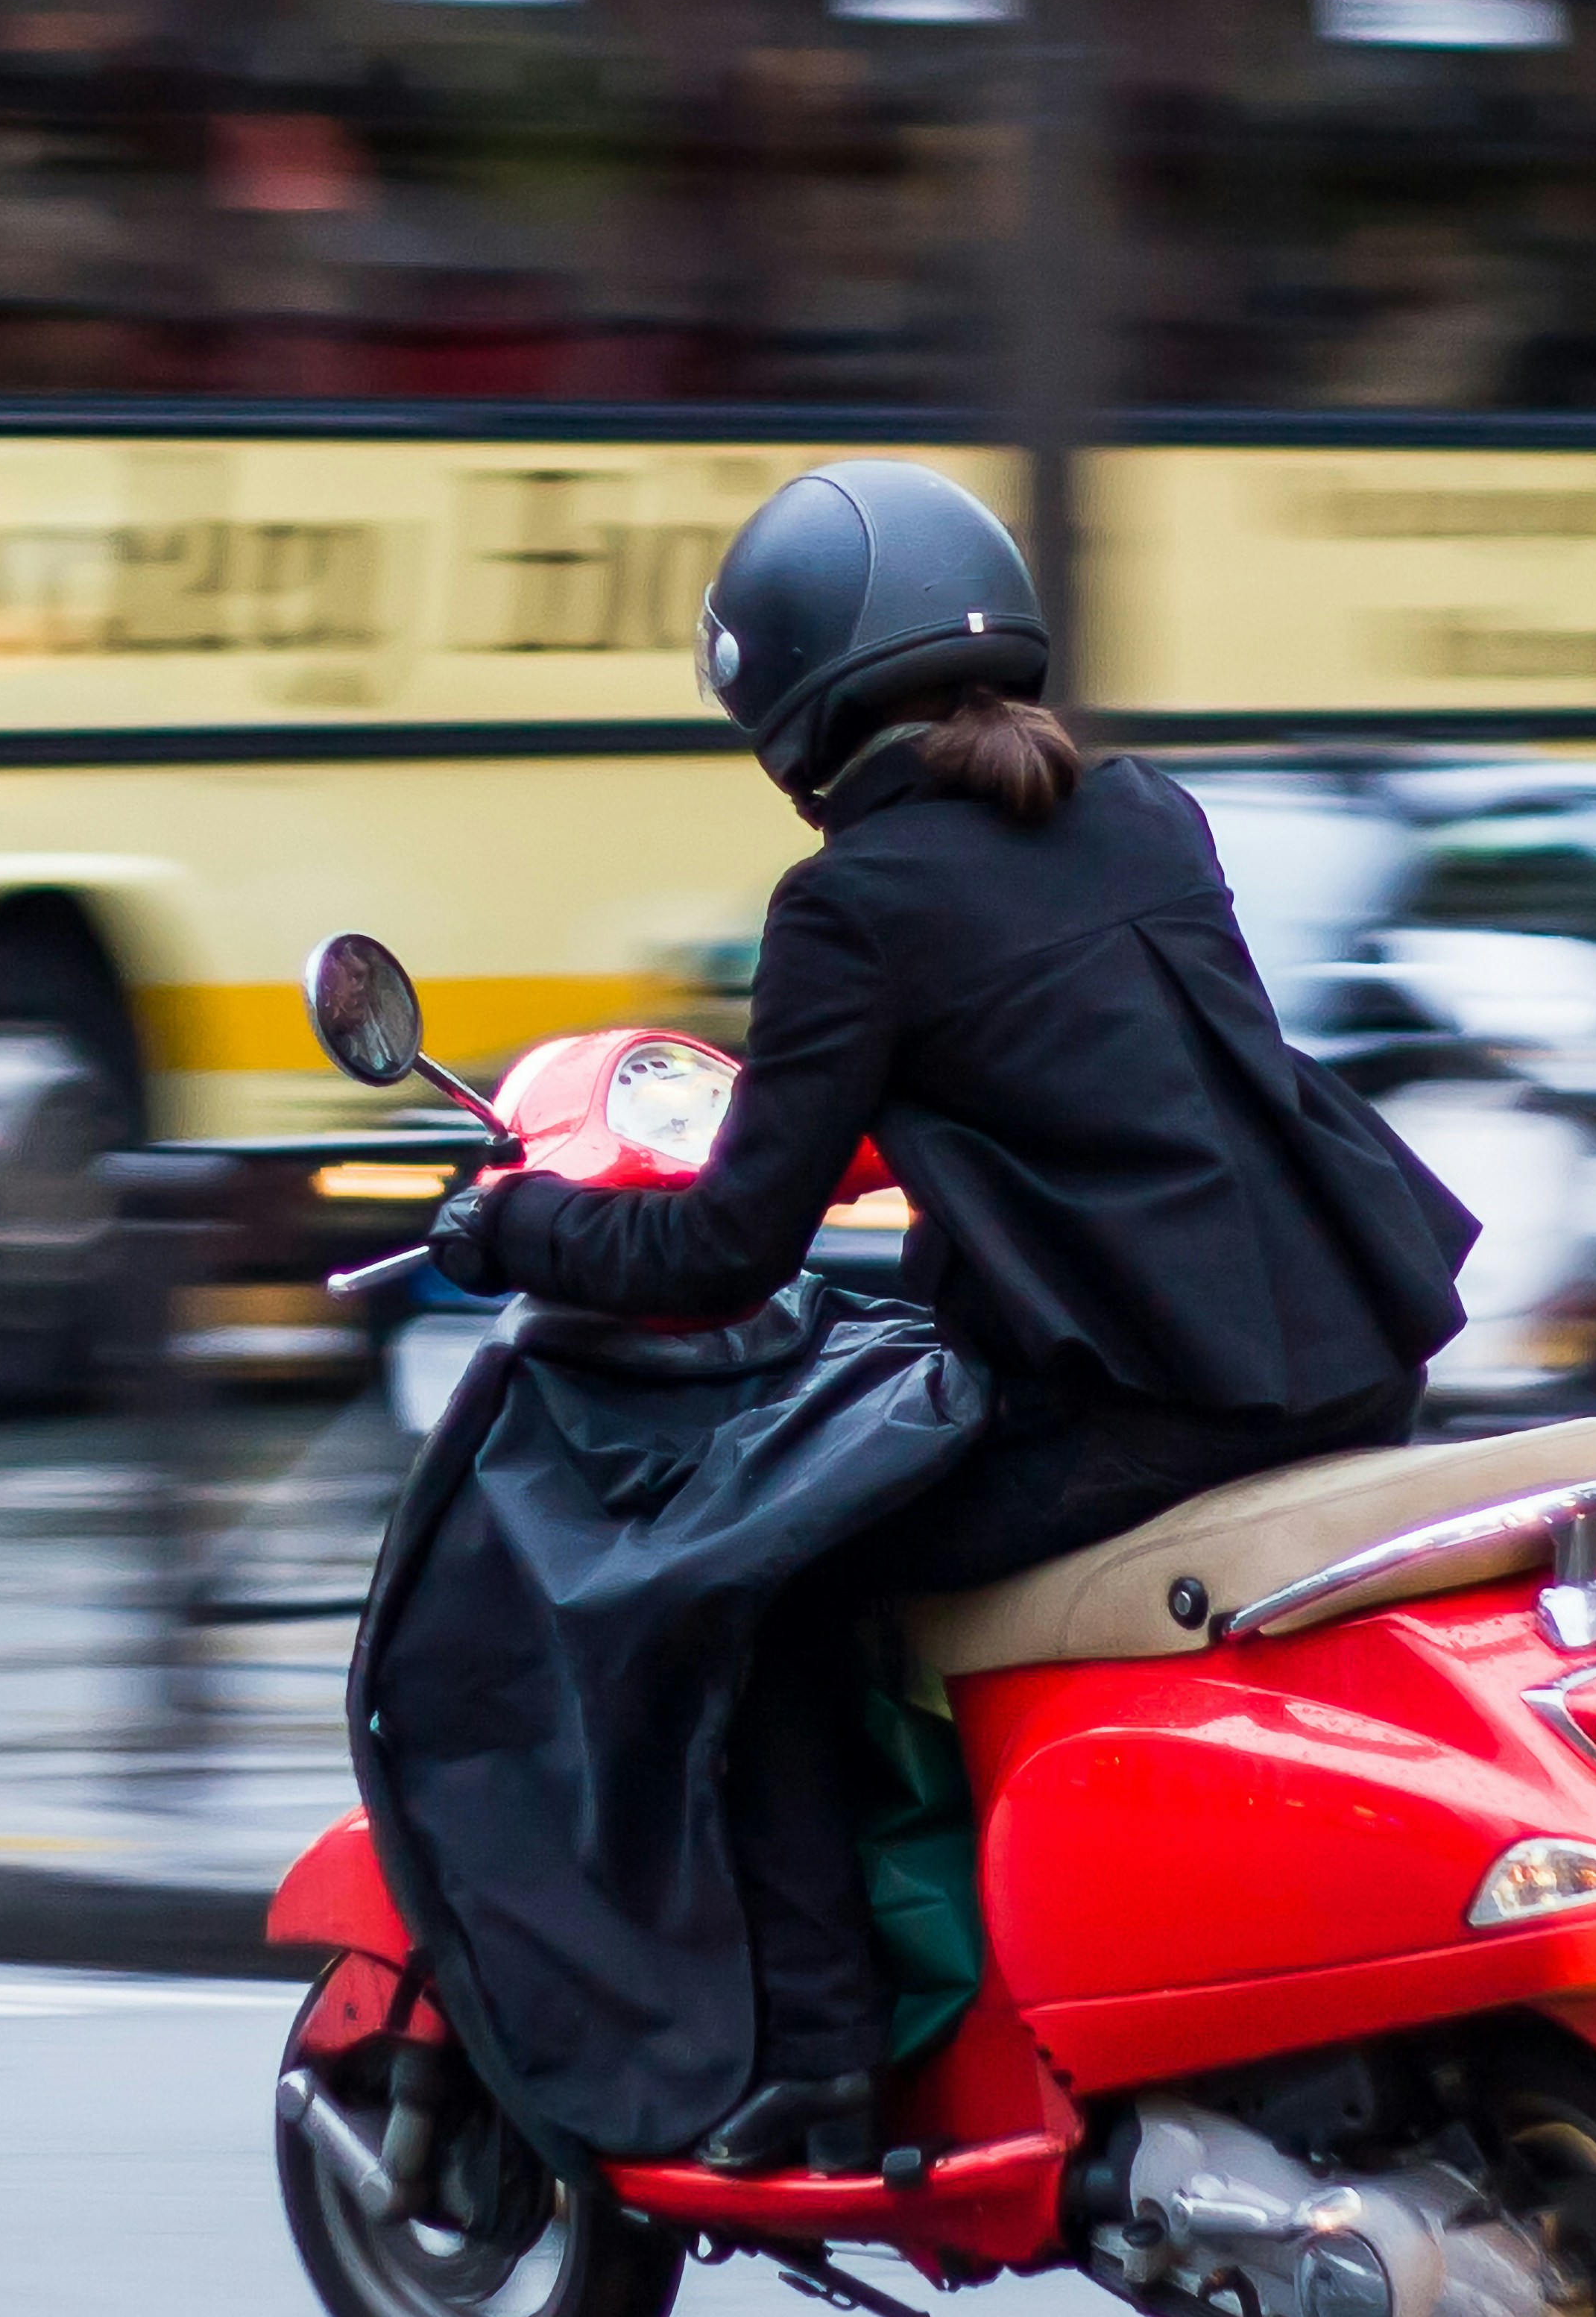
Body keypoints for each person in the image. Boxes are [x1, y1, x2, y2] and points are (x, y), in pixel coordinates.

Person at [420, 461, 1475, 2173]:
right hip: (1347, 1359)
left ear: (779, 691)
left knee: (753, 1593)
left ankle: (822, 2067)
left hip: (1148, 1413)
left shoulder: (847, 905)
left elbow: (717, 1257)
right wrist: (866, 1138)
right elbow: (1101, 1087)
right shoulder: (1143, 815)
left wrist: (516, 1221)